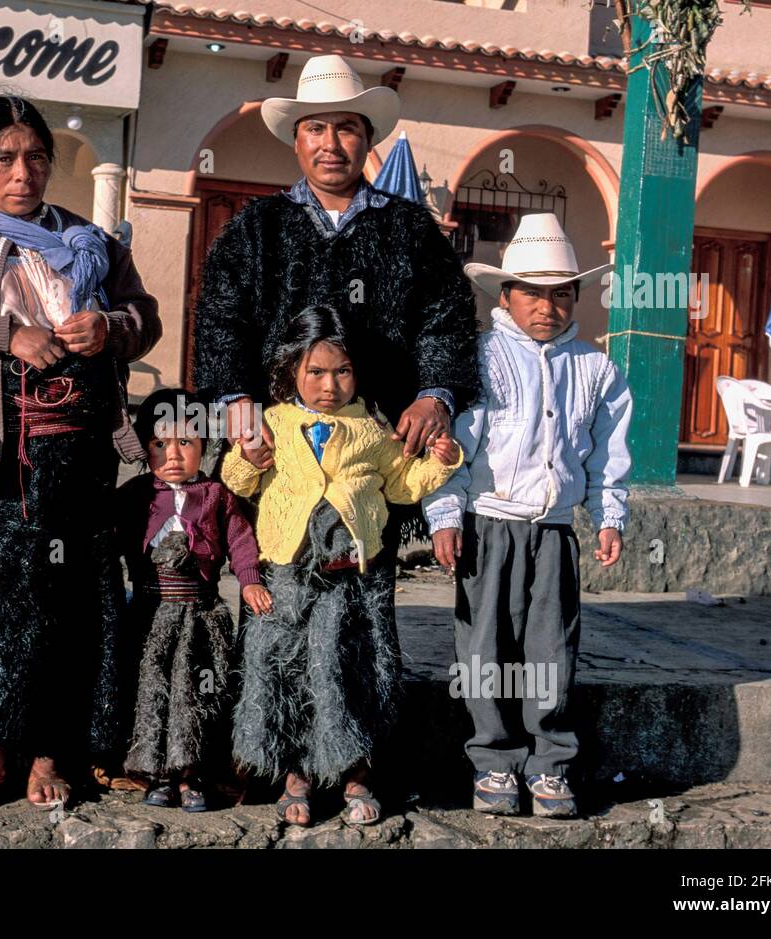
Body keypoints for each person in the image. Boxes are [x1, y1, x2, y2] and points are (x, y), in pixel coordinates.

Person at [0, 95, 160, 811]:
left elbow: (146, 316)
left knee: (66, 601)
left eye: (36, 157)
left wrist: (108, 326)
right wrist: (2, 334)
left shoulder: (88, 239)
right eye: (4, 158)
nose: (23, 172)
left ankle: (50, 747)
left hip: (75, 456)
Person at [193, 54, 480, 554]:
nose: (331, 144)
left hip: (374, 450)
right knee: (276, 588)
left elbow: (447, 321)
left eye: (346, 128)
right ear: (296, 139)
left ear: (368, 139)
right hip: (277, 448)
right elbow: (220, 322)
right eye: (316, 129)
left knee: (362, 588)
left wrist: (434, 395)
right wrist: (237, 402)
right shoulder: (255, 228)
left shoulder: (410, 229)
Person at [423, 213, 631, 819]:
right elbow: (453, 452)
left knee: (550, 649)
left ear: (576, 298)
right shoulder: (481, 361)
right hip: (488, 526)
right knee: (483, 649)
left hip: (554, 532)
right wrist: (445, 517)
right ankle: (494, 759)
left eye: (562, 293)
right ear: (505, 295)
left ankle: (549, 764)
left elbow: (609, 454)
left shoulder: (596, 370)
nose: (548, 306)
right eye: (533, 293)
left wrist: (608, 515)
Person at [221, 306, 462, 826]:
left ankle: (356, 776)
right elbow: (236, 483)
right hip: (287, 579)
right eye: (316, 372)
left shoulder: (371, 429)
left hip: (350, 581)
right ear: (290, 373)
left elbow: (400, 485)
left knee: (349, 675)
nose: (330, 385)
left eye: (342, 371)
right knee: (291, 680)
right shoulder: (274, 424)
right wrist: (247, 458)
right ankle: (296, 781)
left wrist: (439, 462)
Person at [115, 388, 271, 812]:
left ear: (204, 444)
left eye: (185, 442)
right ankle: (157, 774)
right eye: (159, 444)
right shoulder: (134, 497)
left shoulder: (217, 496)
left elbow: (240, 541)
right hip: (151, 613)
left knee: (198, 693)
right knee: (154, 692)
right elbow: (108, 541)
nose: (173, 454)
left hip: (201, 615)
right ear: (145, 447)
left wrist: (250, 580)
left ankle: (192, 775)